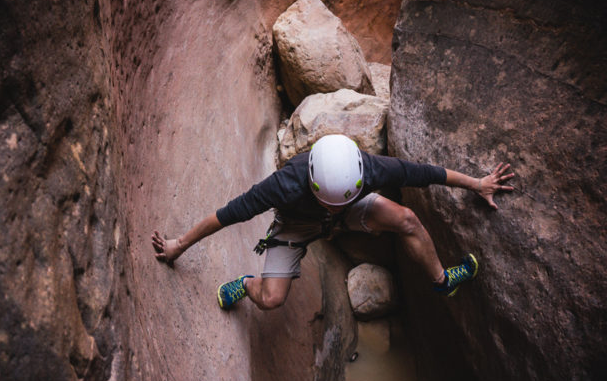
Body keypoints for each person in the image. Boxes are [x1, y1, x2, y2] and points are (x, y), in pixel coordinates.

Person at [152, 134, 514, 310]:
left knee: (406, 218)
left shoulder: (367, 168)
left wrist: (477, 183)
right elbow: (227, 214)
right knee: (272, 299)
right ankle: (248, 284)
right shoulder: (285, 184)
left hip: (355, 208)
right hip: (297, 224)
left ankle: (441, 281)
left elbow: (426, 173)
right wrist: (178, 245)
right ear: (310, 183)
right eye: (330, 201)